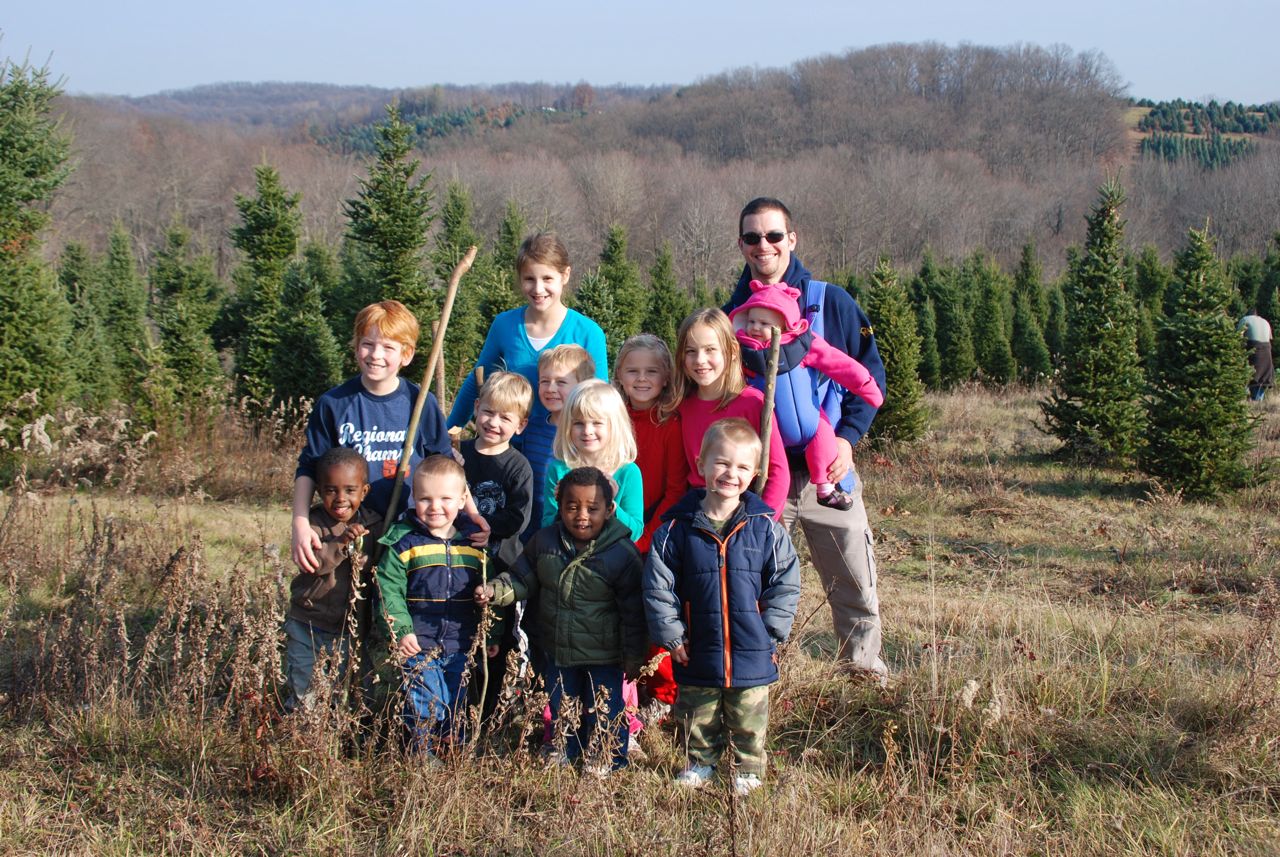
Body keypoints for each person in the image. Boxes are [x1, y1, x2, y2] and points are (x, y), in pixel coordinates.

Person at [723, 197, 889, 681]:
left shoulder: (829, 302)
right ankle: (754, 673)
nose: (764, 246)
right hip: (757, 476)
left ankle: (863, 673)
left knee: (852, 576)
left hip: (826, 469)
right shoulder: (730, 316)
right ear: (741, 245)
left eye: (773, 235)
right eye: (752, 238)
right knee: (751, 575)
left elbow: (866, 372)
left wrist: (847, 439)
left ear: (791, 240)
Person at [643, 418, 801, 795]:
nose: (731, 473)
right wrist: (671, 634)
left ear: (755, 474)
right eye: (722, 463)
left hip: (752, 644)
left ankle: (747, 766)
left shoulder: (766, 529)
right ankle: (700, 762)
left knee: (749, 710)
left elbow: (786, 581)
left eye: (743, 467)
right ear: (700, 464)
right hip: (696, 644)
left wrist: (773, 631)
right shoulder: (676, 530)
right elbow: (658, 585)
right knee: (697, 709)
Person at [476, 467, 646, 773]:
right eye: (572, 507)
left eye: (592, 509)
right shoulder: (545, 543)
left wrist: (634, 656)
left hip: (604, 654)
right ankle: (562, 748)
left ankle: (606, 754)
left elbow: (634, 613)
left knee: (604, 708)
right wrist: (495, 590)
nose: (582, 516)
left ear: (609, 510)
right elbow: (521, 577)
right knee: (560, 702)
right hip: (559, 648)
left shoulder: (622, 554)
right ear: (560, 505)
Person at [447, 234, 608, 534]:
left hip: (562, 449)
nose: (538, 288)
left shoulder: (588, 332)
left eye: (547, 278)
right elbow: (477, 378)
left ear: (565, 275)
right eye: (529, 279)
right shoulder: (506, 326)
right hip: (511, 446)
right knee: (515, 521)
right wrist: (450, 428)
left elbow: (600, 401)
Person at [291, 300, 453, 572]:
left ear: (407, 354)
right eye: (368, 344)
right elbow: (309, 466)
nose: (376, 354)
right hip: (346, 526)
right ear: (356, 347)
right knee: (344, 603)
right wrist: (300, 522)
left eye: (388, 347)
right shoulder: (334, 404)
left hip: (409, 527)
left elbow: (445, 464)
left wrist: (469, 513)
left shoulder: (421, 402)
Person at [730, 279, 884, 510]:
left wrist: (867, 387)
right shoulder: (745, 351)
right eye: (751, 320)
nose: (754, 327)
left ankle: (825, 489)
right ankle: (767, 517)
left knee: (823, 436)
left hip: (813, 417)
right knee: (776, 472)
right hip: (774, 433)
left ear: (784, 325)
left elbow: (838, 363)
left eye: (763, 322)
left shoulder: (803, 343)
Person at [375, 455, 487, 758]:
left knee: (455, 700)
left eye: (445, 499)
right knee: (426, 701)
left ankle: (453, 754)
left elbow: (488, 594)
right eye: (425, 499)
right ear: (413, 497)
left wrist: (493, 632)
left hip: (460, 642)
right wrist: (401, 630)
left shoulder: (473, 546)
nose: (435, 507)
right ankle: (420, 755)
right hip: (419, 641)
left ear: (463, 499)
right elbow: (389, 591)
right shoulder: (404, 543)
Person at [613, 334, 687, 719]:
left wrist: (648, 535)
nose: (642, 379)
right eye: (633, 371)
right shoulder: (613, 418)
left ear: (666, 377)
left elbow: (676, 488)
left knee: (658, 610)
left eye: (651, 372)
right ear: (620, 375)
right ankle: (625, 686)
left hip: (654, 534)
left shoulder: (670, 422)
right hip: (615, 530)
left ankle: (662, 692)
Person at [457, 371, 534, 718]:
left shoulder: (518, 467)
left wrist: (491, 528)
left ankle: (487, 711)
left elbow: (520, 515)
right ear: (475, 408)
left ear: (520, 425)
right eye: (488, 412)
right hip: (457, 560)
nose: (493, 422)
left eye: (506, 417)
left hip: (499, 565)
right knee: (460, 630)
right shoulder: (459, 456)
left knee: (494, 639)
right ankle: (458, 701)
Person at [282, 447, 381, 713]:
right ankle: (305, 733)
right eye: (330, 490)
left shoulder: (374, 524)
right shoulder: (313, 525)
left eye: (350, 490)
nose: (340, 499)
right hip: (309, 623)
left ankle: (352, 734)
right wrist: (341, 543)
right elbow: (316, 564)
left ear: (364, 492)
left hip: (350, 627)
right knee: (306, 687)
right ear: (319, 492)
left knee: (356, 686)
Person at [673, 308, 789, 518]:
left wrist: (762, 522)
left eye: (710, 350)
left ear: (732, 351)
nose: (700, 359)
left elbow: (778, 472)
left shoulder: (751, 403)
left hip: (744, 512)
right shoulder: (682, 406)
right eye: (691, 351)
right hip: (697, 513)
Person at [541, 380, 644, 541]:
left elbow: (635, 532)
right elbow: (546, 528)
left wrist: (611, 505)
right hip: (566, 559)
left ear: (614, 426)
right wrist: (562, 507)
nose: (587, 431)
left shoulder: (628, 472)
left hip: (612, 561)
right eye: (578, 423)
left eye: (597, 423)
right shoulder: (559, 469)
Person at [1239, 310, 1273, 402]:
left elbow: (1238, 337)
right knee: (1261, 381)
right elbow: (1270, 338)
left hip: (1253, 352)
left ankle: (1247, 403)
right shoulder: (1266, 322)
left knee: (1249, 378)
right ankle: (1258, 404)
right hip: (1267, 355)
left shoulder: (1245, 319)